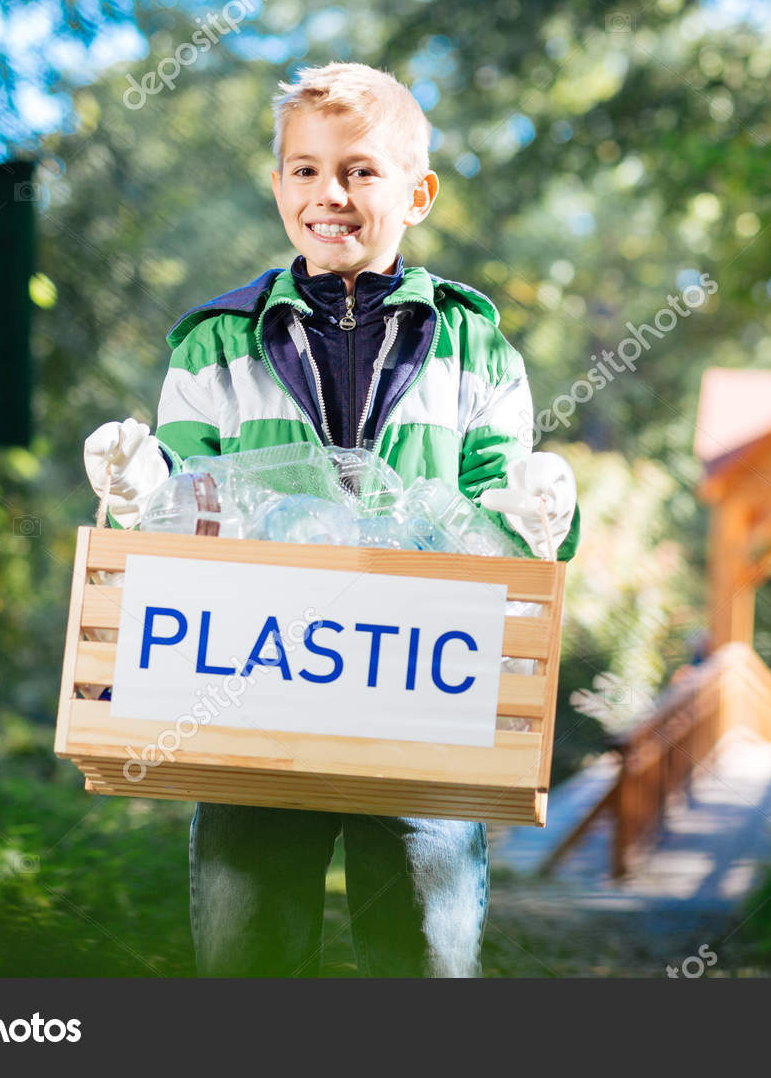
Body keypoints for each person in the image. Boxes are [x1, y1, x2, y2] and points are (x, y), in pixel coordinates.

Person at [81, 62, 579, 977]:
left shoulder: (475, 346)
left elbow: (505, 513)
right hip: (245, 701)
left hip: (424, 700)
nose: (330, 194)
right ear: (278, 186)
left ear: (417, 192)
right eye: (304, 170)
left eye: (360, 169)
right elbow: (182, 518)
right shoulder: (214, 344)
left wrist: (544, 511)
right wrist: (137, 491)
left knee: (424, 964)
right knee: (250, 966)